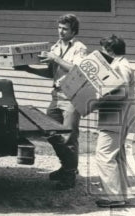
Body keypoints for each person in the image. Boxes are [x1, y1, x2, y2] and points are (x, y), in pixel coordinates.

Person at [19, 14, 88, 189]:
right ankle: (67, 166)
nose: (61, 31)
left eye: (65, 29)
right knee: (50, 132)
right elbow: (51, 72)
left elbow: (78, 69)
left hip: (72, 95)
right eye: (59, 28)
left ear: (73, 31)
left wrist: (55, 58)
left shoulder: (79, 48)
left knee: (69, 136)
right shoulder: (56, 47)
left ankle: (69, 175)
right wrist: (28, 69)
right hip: (56, 94)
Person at [91, 35, 135, 207]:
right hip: (118, 115)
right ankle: (122, 195)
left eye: (104, 50)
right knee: (116, 156)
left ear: (110, 51)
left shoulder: (120, 66)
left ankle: (114, 197)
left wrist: (99, 99)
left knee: (104, 156)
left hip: (116, 116)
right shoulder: (120, 65)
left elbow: (122, 93)